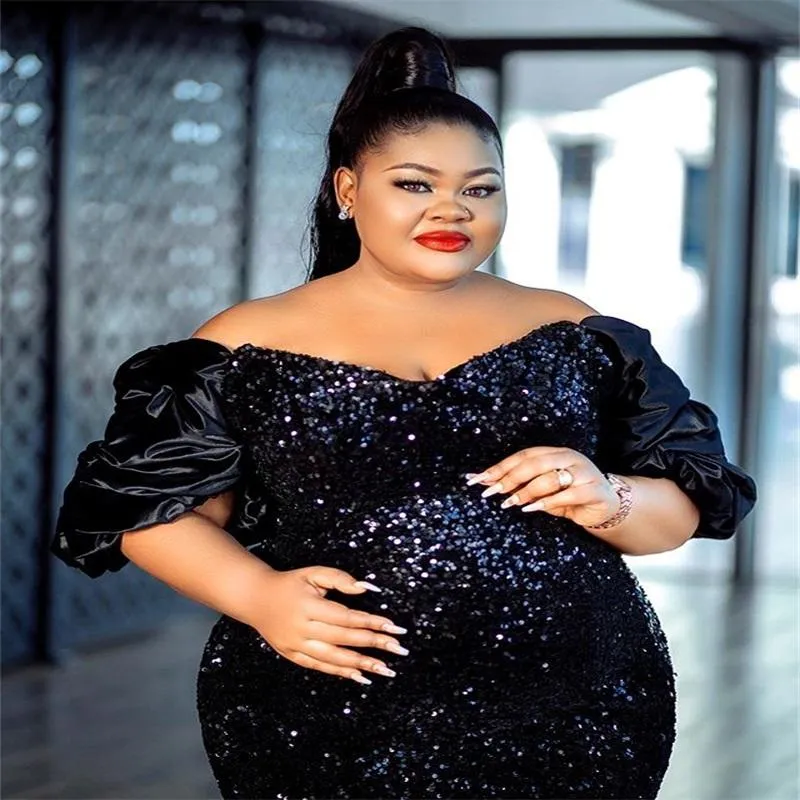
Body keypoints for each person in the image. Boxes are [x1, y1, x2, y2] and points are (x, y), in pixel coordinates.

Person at [51, 26, 757, 800]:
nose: (452, 210)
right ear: (348, 191)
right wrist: (260, 597)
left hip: (577, 703)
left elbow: (687, 506)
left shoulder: (578, 332)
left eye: (480, 189)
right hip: (322, 709)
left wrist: (609, 494)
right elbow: (145, 511)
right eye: (416, 185)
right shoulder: (242, 344)